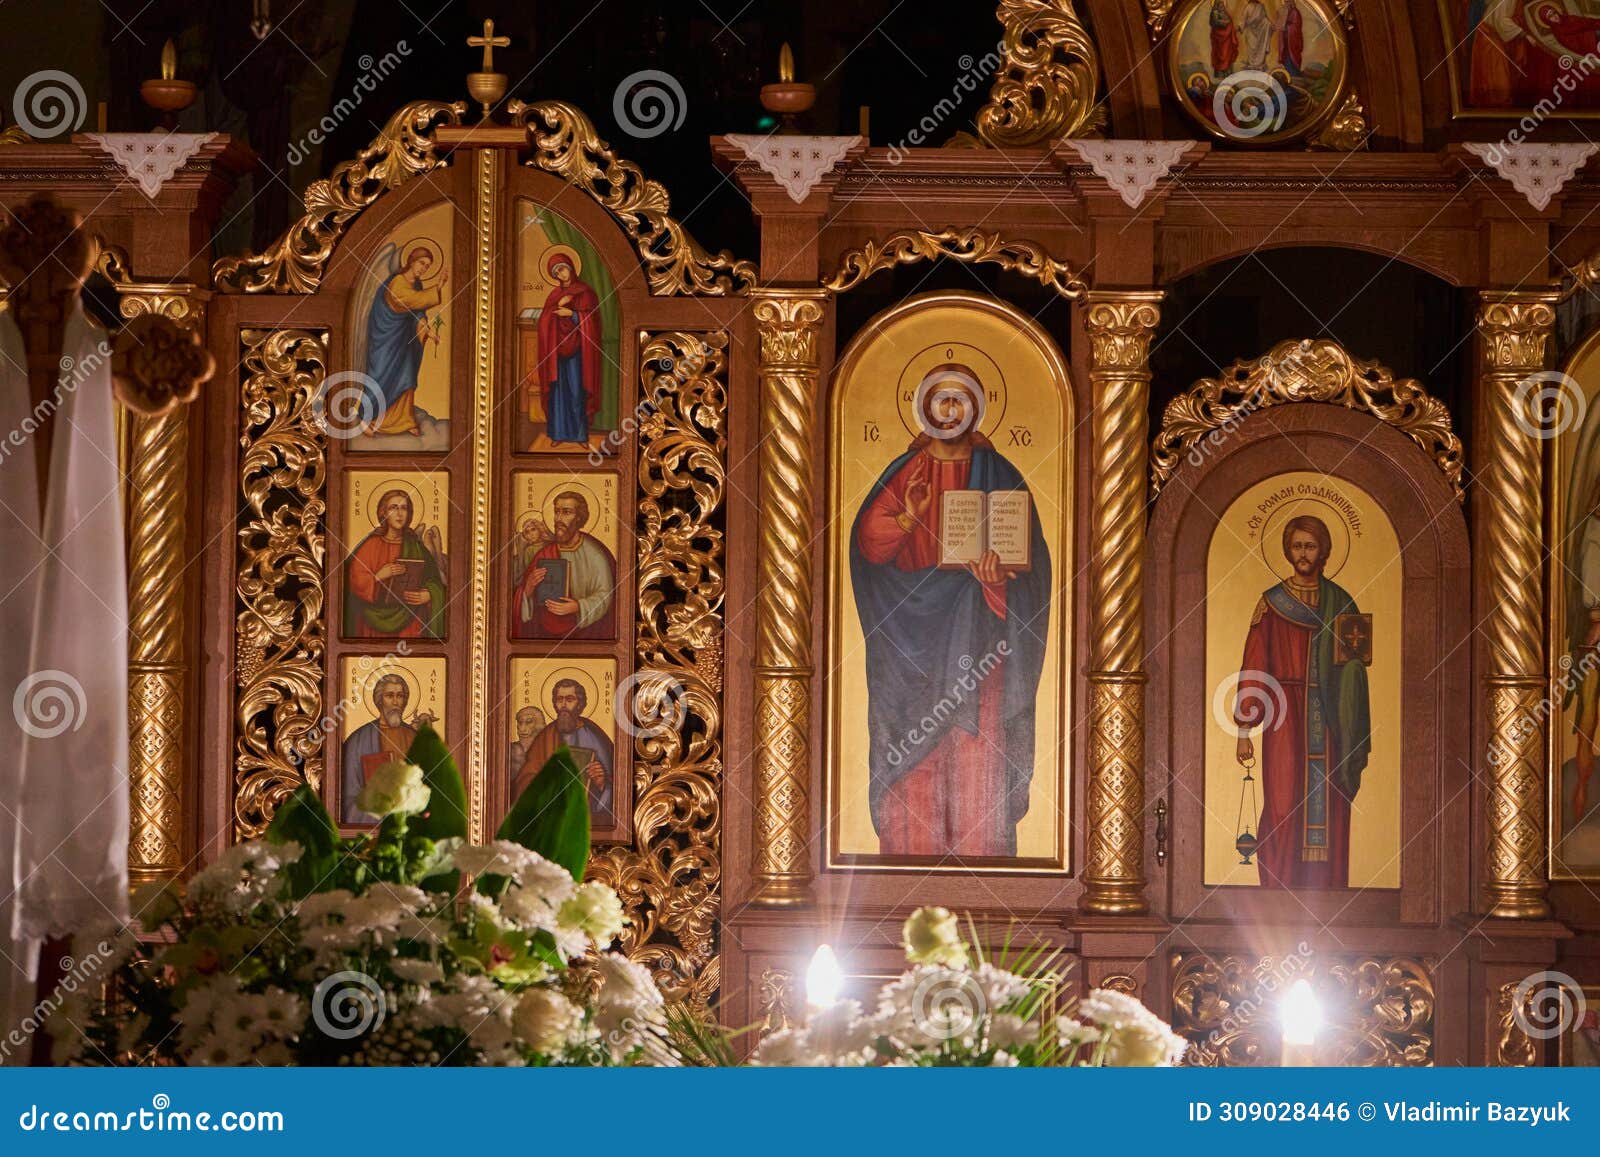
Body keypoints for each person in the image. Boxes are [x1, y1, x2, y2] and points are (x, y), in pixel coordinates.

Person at [850, 365, 1051, 858]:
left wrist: (999, 581)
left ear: (977, 409)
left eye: (961, 401)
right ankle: (906, 878)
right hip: (910, 644)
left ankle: (983, 877)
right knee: (915, 758)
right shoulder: (905, 473)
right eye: (942, 400)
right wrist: (908, 514)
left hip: (979, 637)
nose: (951, 410)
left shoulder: (1001, 473)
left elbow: (1036, 567)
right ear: (924, 407)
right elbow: (870, 552)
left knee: (976, 748)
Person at [1233, 515, 1371, 889]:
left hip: (1330, 718)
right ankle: (1278, 889)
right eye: (1297, 546)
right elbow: (1254, 668)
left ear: (1323, 551)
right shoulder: (1272, 604)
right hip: (1284, 716)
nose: (1303, 553)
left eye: (1310, 546)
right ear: (1287, 551)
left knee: (1329, 800)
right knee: (1281, 802)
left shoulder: (1341, 603)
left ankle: (1325, 889)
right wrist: (1245, 730)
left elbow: (1356, 669)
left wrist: (1346, 686)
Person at [510, 491, 616, 639]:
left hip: (586, 636)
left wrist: (578, 606)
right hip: (544, 637)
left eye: (566, 512)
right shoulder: (544, 553)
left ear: (579, 517)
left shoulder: (595, 554)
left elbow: (606, 595)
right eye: (556, 512)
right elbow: (522, 603)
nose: (559, 519)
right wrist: (528, 588)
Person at [363, 246, 445, 437]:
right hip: (387, 338)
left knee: (407, 376)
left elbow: (417, 312)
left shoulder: (417, 285)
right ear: (411, 260)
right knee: (382, 376)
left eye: (427, 266)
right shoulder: (397, 282)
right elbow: (408, 301)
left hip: (406, 340)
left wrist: (428, 332)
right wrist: (437, 289)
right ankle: (368, 418)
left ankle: (403, 420)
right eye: (422, 263)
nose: (424, 268)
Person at [344, 489, 447, 638]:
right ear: (384, 513)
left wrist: (429, 595)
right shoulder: (370, 545)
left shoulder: (416, 547)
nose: (399, 514)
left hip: (411, 621)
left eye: (404, 508)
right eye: (393, 508)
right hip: (372, 625)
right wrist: (379, 576)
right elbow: (351, 583)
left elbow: (435, 581)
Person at [510, 679, 614, 821]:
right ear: (554, 703)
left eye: (570, 699)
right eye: (559, 699)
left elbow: (618, 787)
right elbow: (525, 779)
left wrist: (602, 784)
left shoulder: (596, 736)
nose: (564, 705)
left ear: (580, 704)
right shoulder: (545, 737)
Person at [341, 673, 437, 823]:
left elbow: (431, 786)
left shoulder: (416, 738)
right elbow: (349, 798)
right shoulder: (357, 741)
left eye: (400, 696)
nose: (395, 702)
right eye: (389, 695)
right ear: (379, 700)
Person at [535, 251, 602, 445]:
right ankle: (558, 435)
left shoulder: (585, 292)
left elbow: (593, 321)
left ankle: (580, 436)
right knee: (558, 392)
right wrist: (556, 310)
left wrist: (572, 313)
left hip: (578, 352)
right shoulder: (554, 295)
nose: (561, 274)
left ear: (571, 267)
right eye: (556, 272)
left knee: (576, 391)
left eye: (563, 269)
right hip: (556, 350)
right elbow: (544, 321)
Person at [507, 705, 548, 786]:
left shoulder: (549, 750)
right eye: (520, 722)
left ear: (539, 725)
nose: (522, 729)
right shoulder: (513, 751)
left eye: (529, 722)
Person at [1240, 0, 1272, 71]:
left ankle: (1259, 65)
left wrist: (1269, 24)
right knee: (1251, 48)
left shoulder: (1261, 6)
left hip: (1261, 32)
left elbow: (1265, 18)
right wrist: (1240, 27)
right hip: (1250, 32)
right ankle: (1252, 64)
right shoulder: (1248, 7)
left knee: (1260, 47)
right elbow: (1244, 19)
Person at [1210, 0, 1239, 77]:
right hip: (1219, 38)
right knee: (1220, 55)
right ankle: (1220, 74)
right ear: (1216, 5)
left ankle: (1228, 73)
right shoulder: (1215, 12)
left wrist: (1231, 27)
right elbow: (1214, 22)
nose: (1222, 6)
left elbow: (1230, 22)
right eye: (1220, 5)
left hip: (1227, 39)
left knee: (1228, 55)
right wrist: (1224, 22)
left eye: (1223, 5)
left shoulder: (1225, 13)